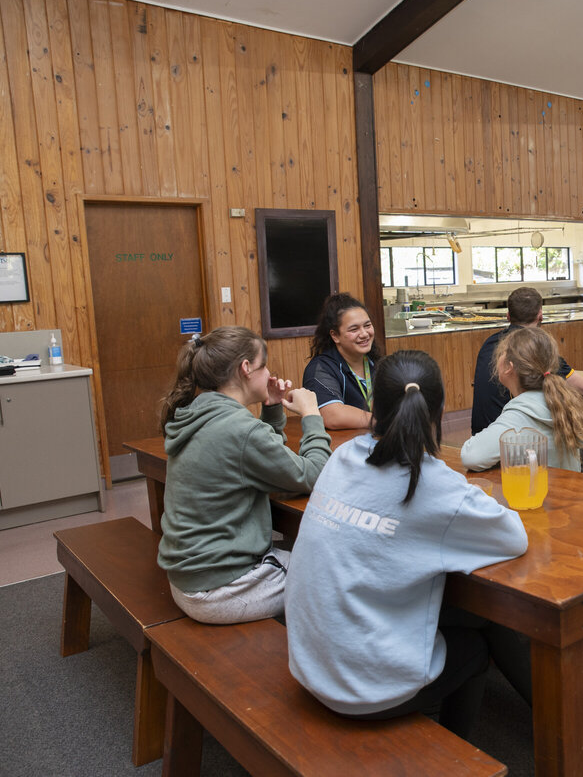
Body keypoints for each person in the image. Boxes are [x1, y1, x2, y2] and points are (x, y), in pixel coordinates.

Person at [285, 350, 529, 739]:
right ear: (440, 409)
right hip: (362, 690)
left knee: (467, 611)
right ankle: (455, 756)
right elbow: (514, 537)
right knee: (476, 645)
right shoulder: (436, 485)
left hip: (308, 662)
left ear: (372, 405)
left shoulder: (342, 456)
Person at [157, 326, 331, 624]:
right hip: (220, 590)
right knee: (338, 573)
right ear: (246, 368)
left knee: (305, 558)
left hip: (190, 580)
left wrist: (272, 408)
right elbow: (313, 475)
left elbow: (262, 463)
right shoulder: (238, 428)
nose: (269, 374)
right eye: (264, 366)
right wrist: (313, 416)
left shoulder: (200, 412)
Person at [461, 326, 583, 472]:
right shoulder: (561, 400)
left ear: (509, 367)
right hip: (564, 490)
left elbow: (471, 456)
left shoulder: (519, 415)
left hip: (537, 492)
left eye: (501, 354)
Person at [303, 293, 381, 430]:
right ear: (335, 336)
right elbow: (332, 416)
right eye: (354, 329)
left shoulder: (377, 363)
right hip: (341, 449)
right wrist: (385, 421)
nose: (364, 334)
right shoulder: (321, 368)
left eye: (367, 325)